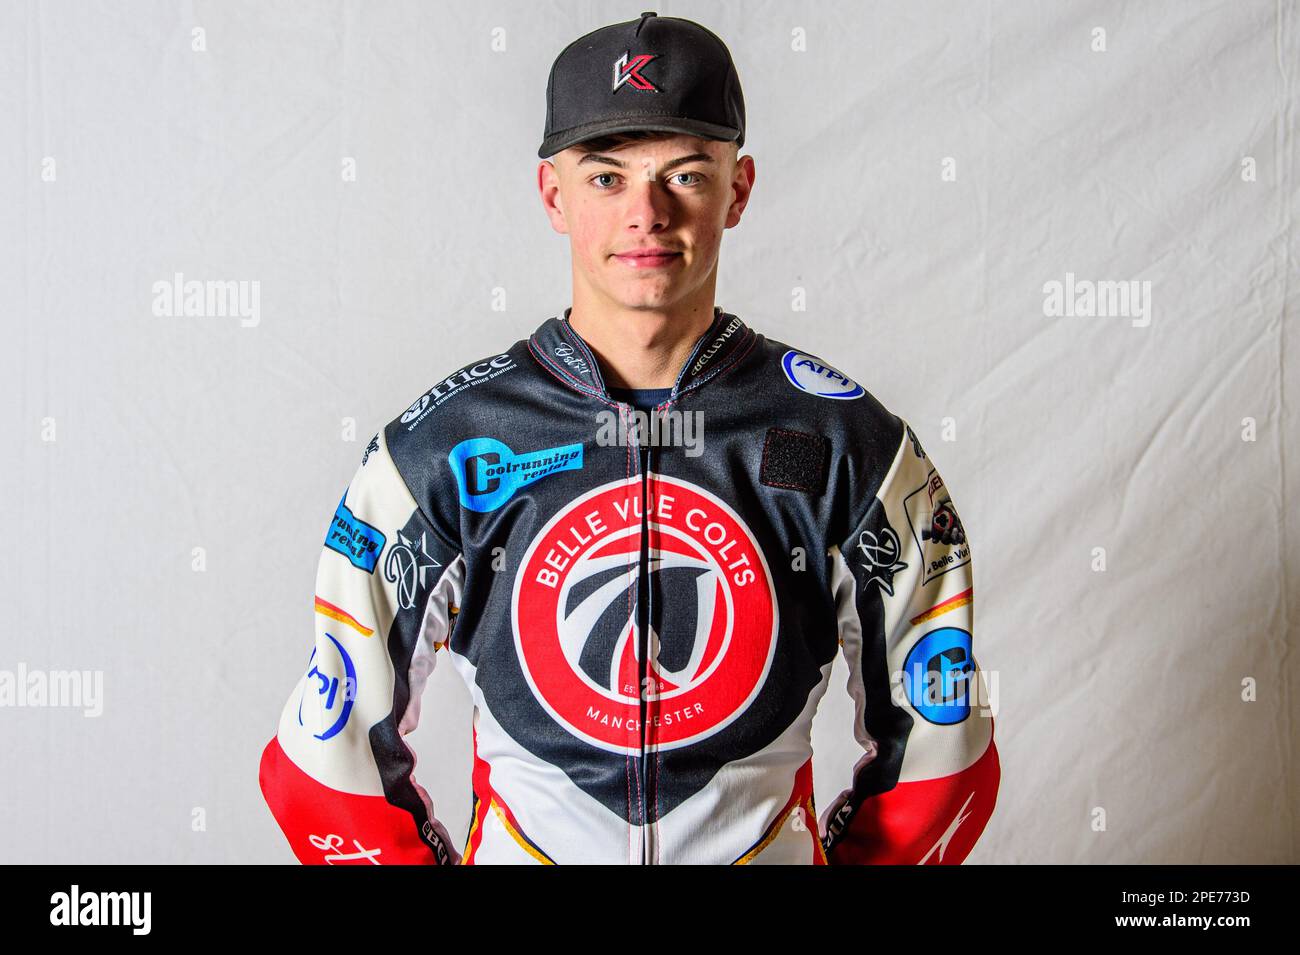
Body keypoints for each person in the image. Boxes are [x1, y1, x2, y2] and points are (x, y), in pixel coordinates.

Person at [258, 10, 1000, 865]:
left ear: (739, 188)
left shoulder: (846, 444)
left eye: (683, 173)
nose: (645, 213)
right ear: (553, 196)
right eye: (606, 178)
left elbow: (946, 755)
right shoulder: (445, 449)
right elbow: (326, 761)